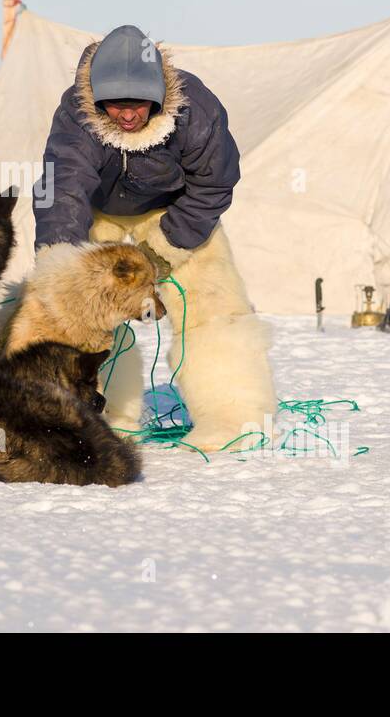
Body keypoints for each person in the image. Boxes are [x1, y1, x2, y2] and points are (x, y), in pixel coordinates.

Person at [34, 24, 275, 452]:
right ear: (96, 98)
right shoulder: (77, 113)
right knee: (81, 307)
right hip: (97, 211)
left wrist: (164, 251)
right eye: (116, 106)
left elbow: (213, 186)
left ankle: (234, 418)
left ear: (160, 95)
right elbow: (62, 186)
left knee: (212, 305)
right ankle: (100, 416)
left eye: (138, 105)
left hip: (174, 212)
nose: (127, 116)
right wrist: (62, 260)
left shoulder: (196, 108)